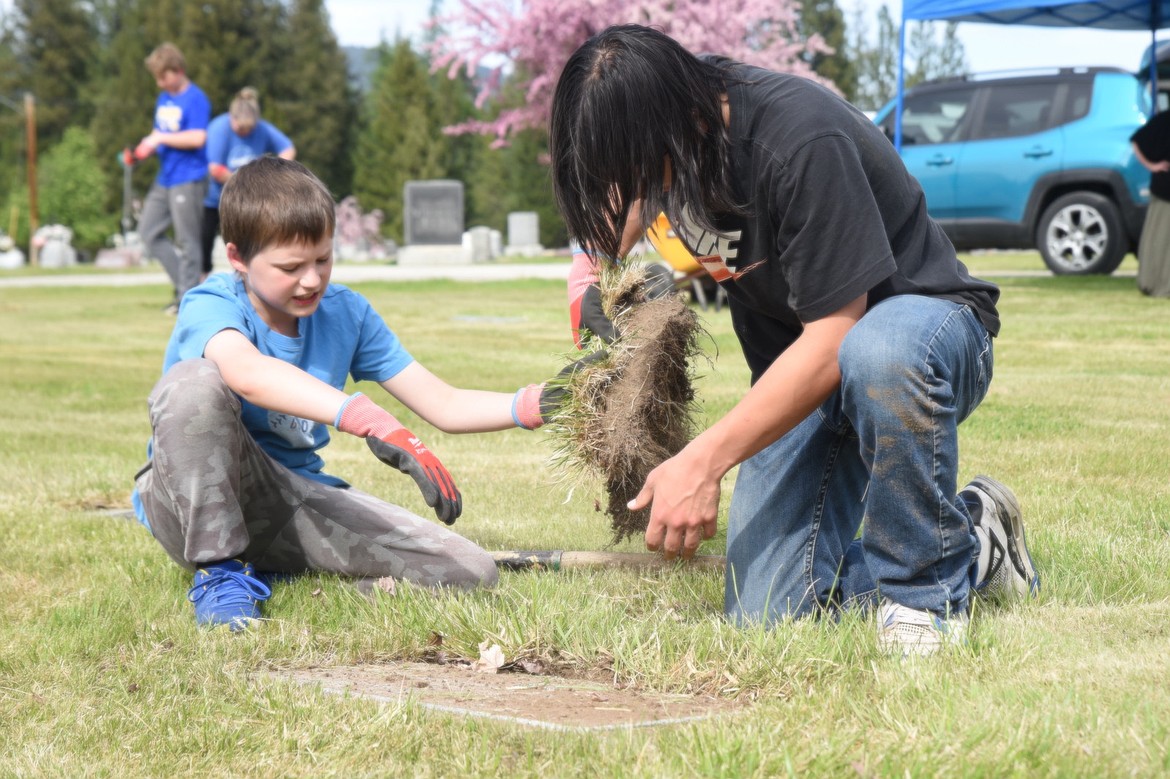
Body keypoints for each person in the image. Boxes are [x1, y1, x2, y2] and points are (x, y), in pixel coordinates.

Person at [548, 25, 1039, 655]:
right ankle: (974, 538)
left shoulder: (799, 138)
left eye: (637, 168)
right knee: (765, 615)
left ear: (674, 126)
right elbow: (617, 211)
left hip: (920, 335)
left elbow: (836, 335)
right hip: (803, 373)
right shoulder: (672, 124)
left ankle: (923, 597)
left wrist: (702, 461)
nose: (636, 187)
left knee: (876, 352)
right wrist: (589, 274)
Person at [130, 157, 555, 631]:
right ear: (238, 258)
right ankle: (220, 573)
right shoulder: (211, 302)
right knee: (192, 385)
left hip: (292, 501)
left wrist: (535, 403)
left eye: (323, 259)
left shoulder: (347, 313)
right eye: (291, 267)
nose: (312, 279)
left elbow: (445, 404)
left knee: (471, 571)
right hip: (186, 510)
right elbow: (246, 372)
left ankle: (289, 576)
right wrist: (365, 417)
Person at [133, 43, 211, 314]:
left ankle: (188, 299)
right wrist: (146, 148)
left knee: (187, 241)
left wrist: (161, 138)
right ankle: (185, 289)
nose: (159, 83)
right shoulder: (164, 98)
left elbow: (198, 137)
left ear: (177, 71)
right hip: (164, 178)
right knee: (148, 233)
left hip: (188, 178)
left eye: (162, 77)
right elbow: (159, 133)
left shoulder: (196, 98)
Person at [201, 87, 296, 281]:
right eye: (240, 128)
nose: (245, 132)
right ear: (232, 117)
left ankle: (251, 280)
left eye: (249, 129)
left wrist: (273, 174)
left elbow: (288, 149)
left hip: (248, 201)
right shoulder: (218, 128)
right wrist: (248, 181)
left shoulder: (262, 128)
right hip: (215, 199)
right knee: (205, 244)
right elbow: (215, 169)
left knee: (250, 244)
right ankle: (202, 281)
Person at [1131, 109, 1170, 297]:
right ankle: (1155, 283)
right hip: (1165, 191)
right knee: (1160, 241)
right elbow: (1137, 141)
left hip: (1163, 189)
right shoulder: (1165, 119)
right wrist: (1152, 166)